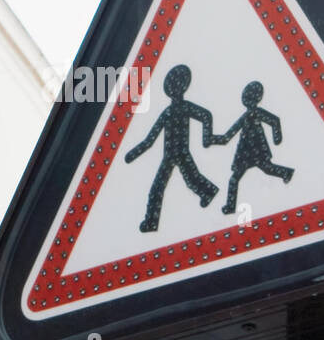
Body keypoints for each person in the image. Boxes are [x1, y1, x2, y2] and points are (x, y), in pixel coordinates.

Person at [123, 64, 218, 232]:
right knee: (159, 187)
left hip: (181, 153)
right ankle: (152, 223)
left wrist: (207, 138)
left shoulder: (184, 107)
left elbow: (206, 115)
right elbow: (150, 139)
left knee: (190, 180)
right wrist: (132, 154)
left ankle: (208, 193)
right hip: (169, 155)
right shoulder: (167, 112)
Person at [211, 80, 294, 215]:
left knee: (266, 169)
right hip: (245, 151)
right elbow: (228, 135)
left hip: (257, 149)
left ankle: (287, 172)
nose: (247, 100)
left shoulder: (257, 113)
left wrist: (277, 138)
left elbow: (274, 121)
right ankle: (231, 207)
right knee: (235, 178)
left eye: (249, 97)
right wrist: (214, 140)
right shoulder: (245, 116)